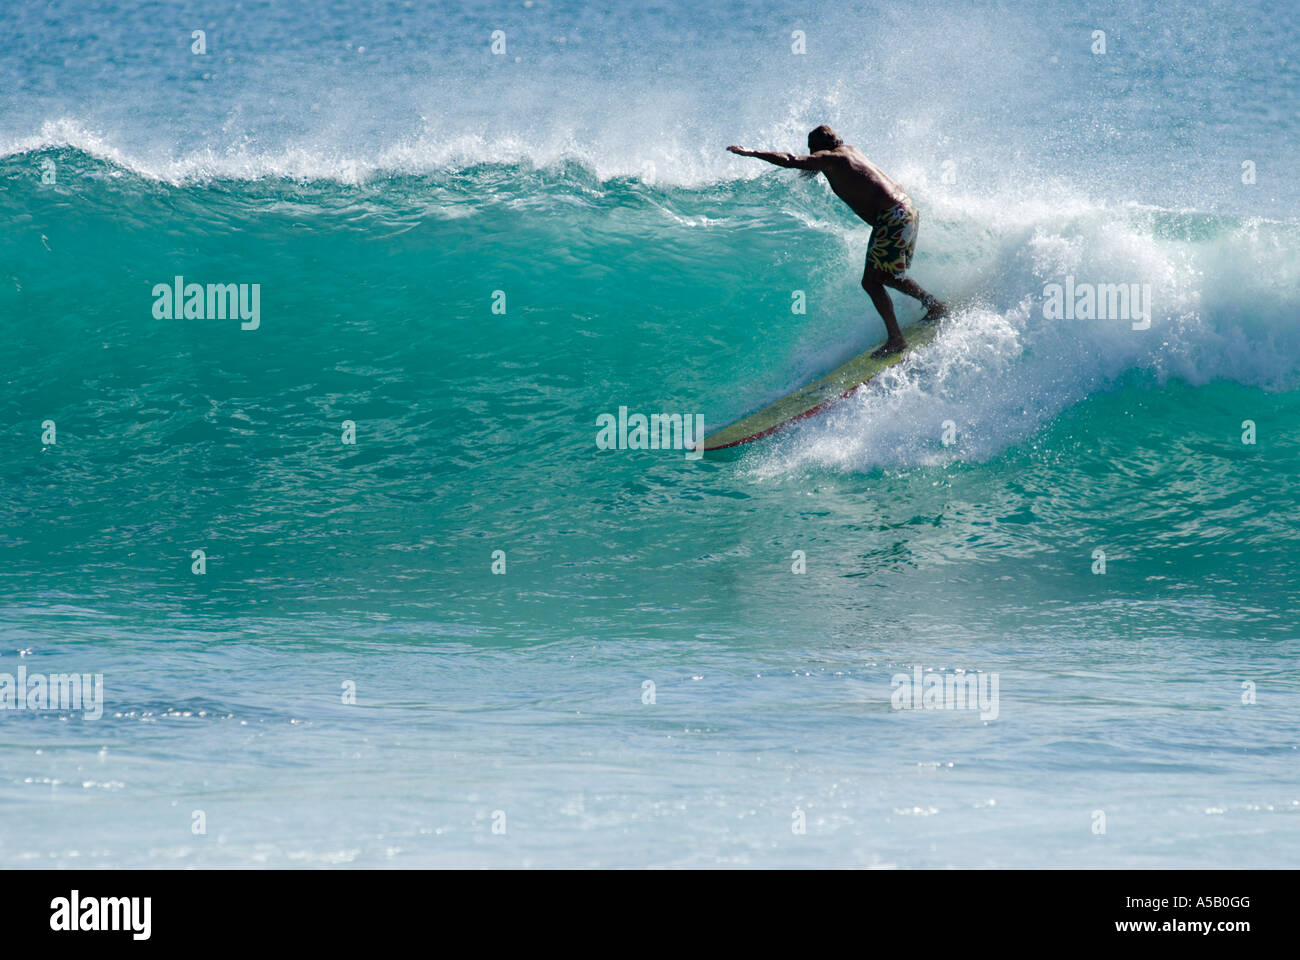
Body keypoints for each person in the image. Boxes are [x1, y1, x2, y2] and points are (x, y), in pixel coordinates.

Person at [728, 125, 946, 356]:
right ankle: (933, 304)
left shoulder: (831, 157)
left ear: (820, 148)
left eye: (813, 150)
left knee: (871, 282)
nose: (812, 156)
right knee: (887, 276)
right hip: (905, 210)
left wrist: (751, 153)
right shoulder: (849, 152)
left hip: (892, 216)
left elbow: (792, 159)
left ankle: (896, 339)